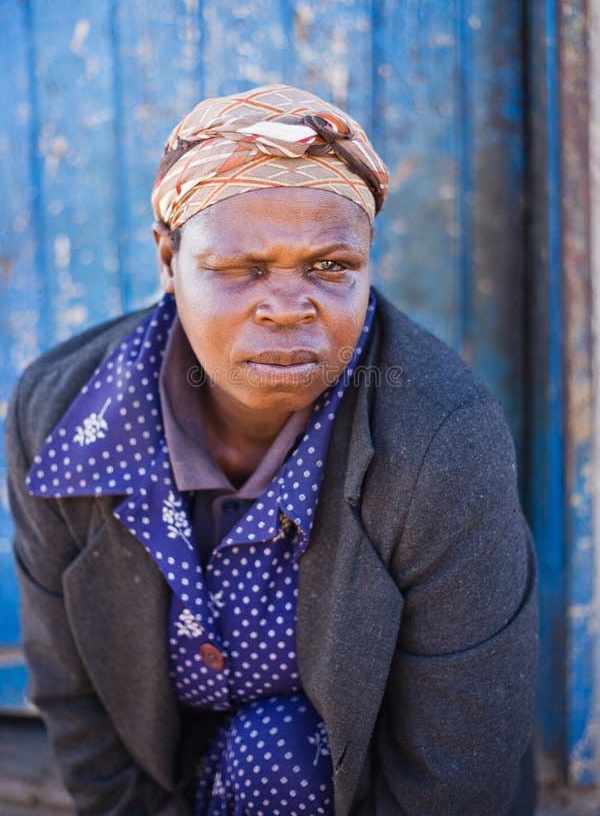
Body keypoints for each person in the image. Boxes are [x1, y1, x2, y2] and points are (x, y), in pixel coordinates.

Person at [6, 84, 538, 816]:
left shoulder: (441, 441)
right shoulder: (64, 417)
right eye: (240, 268)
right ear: (168, 258)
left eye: (330, 267)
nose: (287, 306)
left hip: (374, 794)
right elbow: (77, 700)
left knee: (277, 754)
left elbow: (462, 759)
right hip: (177, 789)